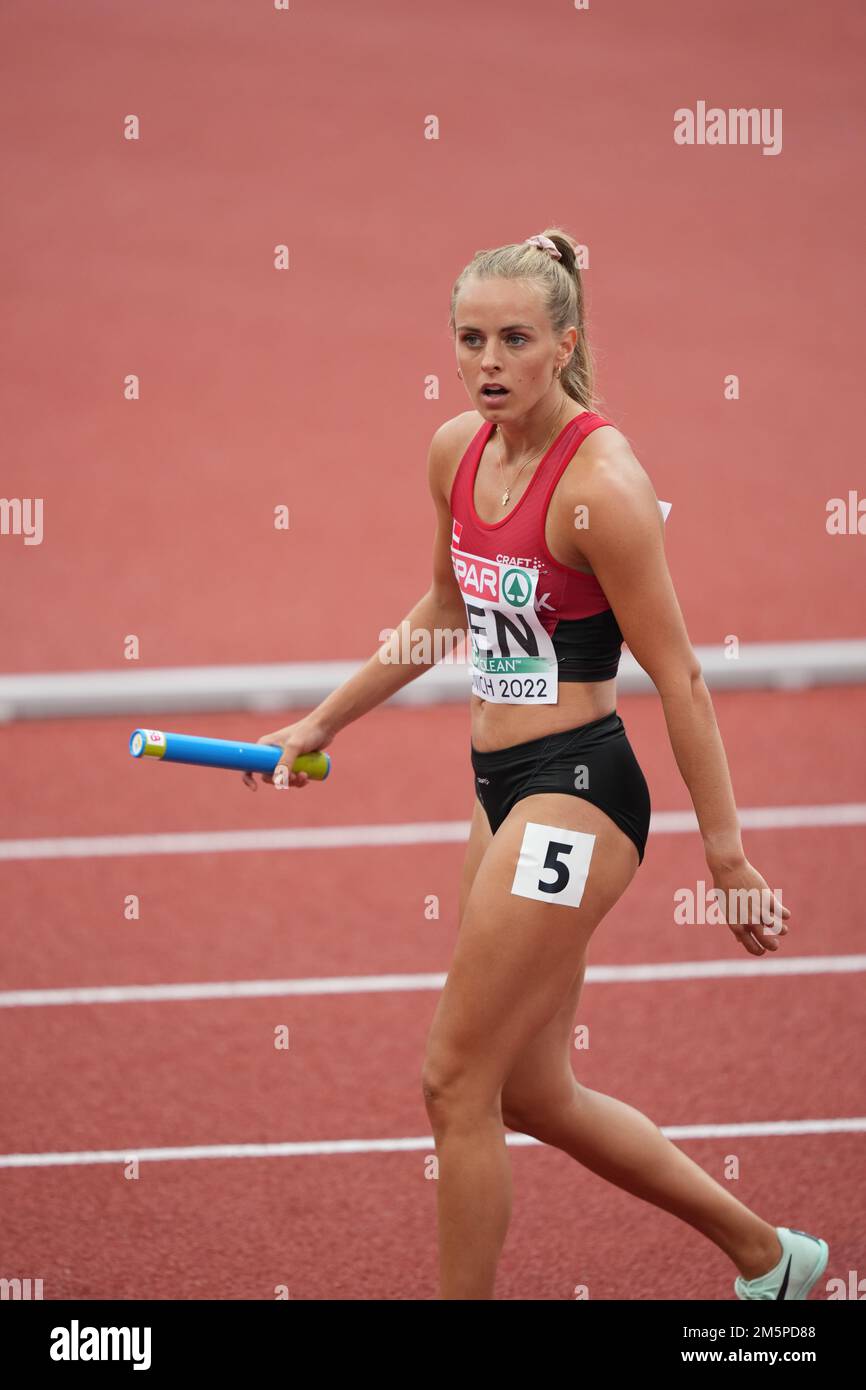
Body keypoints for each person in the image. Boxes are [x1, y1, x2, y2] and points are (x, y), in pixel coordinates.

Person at [242, 228, 829, 1302]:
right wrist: (322, 723)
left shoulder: (601, 485)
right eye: (470, 339)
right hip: (500, 791)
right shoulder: (455, 451)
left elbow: (681, 676)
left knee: (452, 1081)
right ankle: (770, 1258)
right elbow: (443, 608)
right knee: (532, 1094)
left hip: (579, 792)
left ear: (565, 342)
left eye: (514, 339)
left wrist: (727, 857)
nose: (488, 361)